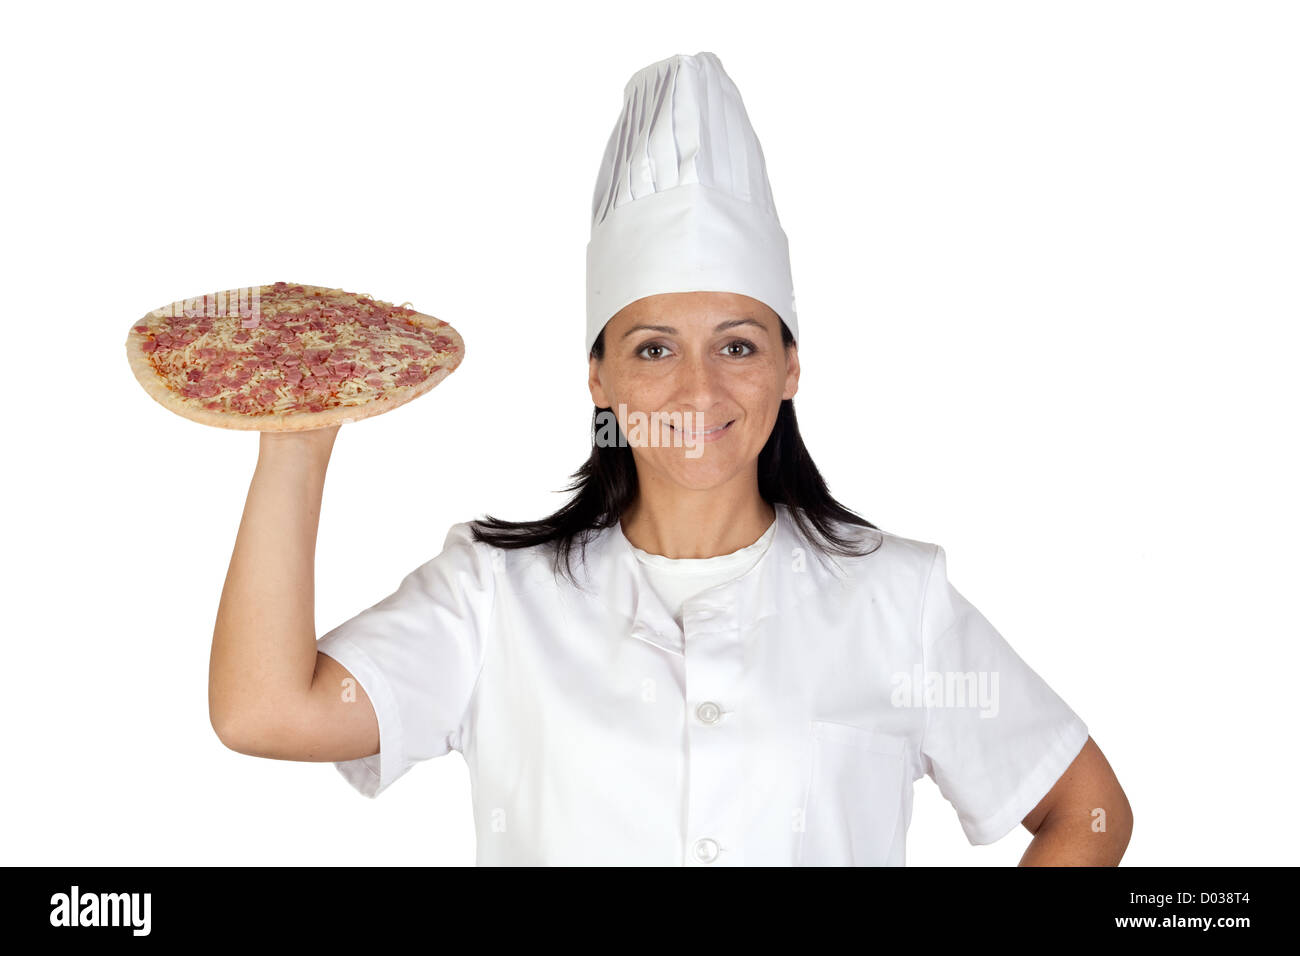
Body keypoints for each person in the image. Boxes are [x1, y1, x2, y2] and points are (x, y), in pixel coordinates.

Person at [209, 52, 1132, 866]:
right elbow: (262, 711)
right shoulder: (494, 597)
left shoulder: (898, 602)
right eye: (653, 349)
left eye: (737, 345)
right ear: (598, 378)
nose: (698, 393)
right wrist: (300, 431)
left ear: (790, 366)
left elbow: (1086, 812)